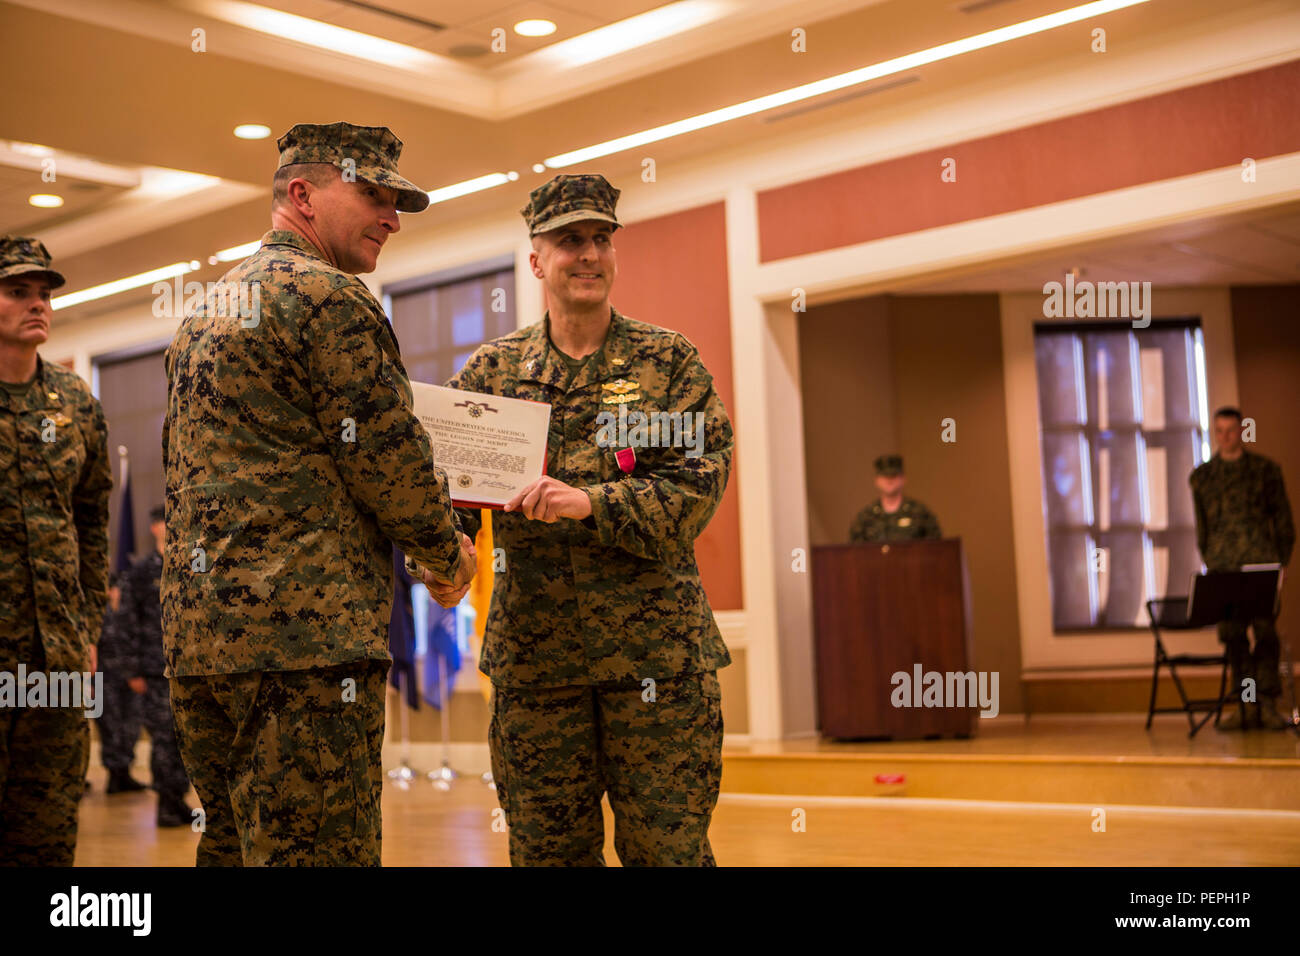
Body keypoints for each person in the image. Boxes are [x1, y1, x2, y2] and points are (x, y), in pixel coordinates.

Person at [162, 122, 475, 866]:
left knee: (233, 849)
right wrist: (444, 554)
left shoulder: (203, 313)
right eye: (372, 195)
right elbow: (389, 458)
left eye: (397, 202)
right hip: (304, 649)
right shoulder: (329, 299)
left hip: (202, 649)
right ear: (301, 194)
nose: (391, 218)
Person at [447, 173, 733, 866]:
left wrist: (591, 502)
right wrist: (441, 551)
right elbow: (443, 490)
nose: (589, 254)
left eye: (602, 239)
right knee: (548, 857)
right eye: (569, 240)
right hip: (537, 670)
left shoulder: (668, 363)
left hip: (657, 665)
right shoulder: (494, 373)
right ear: (537, 258)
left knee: (669, 854)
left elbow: (699, 486)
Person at [0, 235, 112, 865]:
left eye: (44, 294)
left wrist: (88, 625)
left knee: (44, 837)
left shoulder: (74, 405)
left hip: (56, 662)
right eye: (18, 292)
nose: (36, 304)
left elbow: (92, 522)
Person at [1190, 407, 1294, 731]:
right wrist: (1211, 561)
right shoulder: (1202, 478)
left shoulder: (1265, 471)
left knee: (1265, 635)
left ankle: (1266, 705)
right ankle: (1246, 705)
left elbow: (1284, 522)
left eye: (1231, 430)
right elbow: (1202, 528)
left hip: (1261, 565)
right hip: (1224, 569)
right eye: (1219, 431)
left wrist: (1281, 563)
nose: (1225, 437)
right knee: (1234, 637)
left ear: (1241, 431)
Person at [121, 505, 194, 825]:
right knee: (164, 736)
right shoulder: (140, 571)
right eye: (164, 522)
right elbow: (127, 620)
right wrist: (132, 669)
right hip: (153, 667)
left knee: (185, 737)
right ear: (154, 527)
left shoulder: (191, 564)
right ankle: (166, 803)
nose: (169, 527)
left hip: (188, 666)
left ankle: (177, 796)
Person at [96, 570, 146, 794]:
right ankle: (114, 774)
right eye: (114, 589)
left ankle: (125, 771)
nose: (117, 593)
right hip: (105, 681)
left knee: (132, 727)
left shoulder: (130, 615)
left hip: (130, 680)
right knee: (111, 728)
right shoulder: (99, 616)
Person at [848, 454, 942, 542]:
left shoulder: (920, 513)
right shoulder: (865, 517)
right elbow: (855, 552)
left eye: (894, 475)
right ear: (877, 480)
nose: (889, 480)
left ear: (903, 479)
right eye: (885, 476)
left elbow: (936, 547)